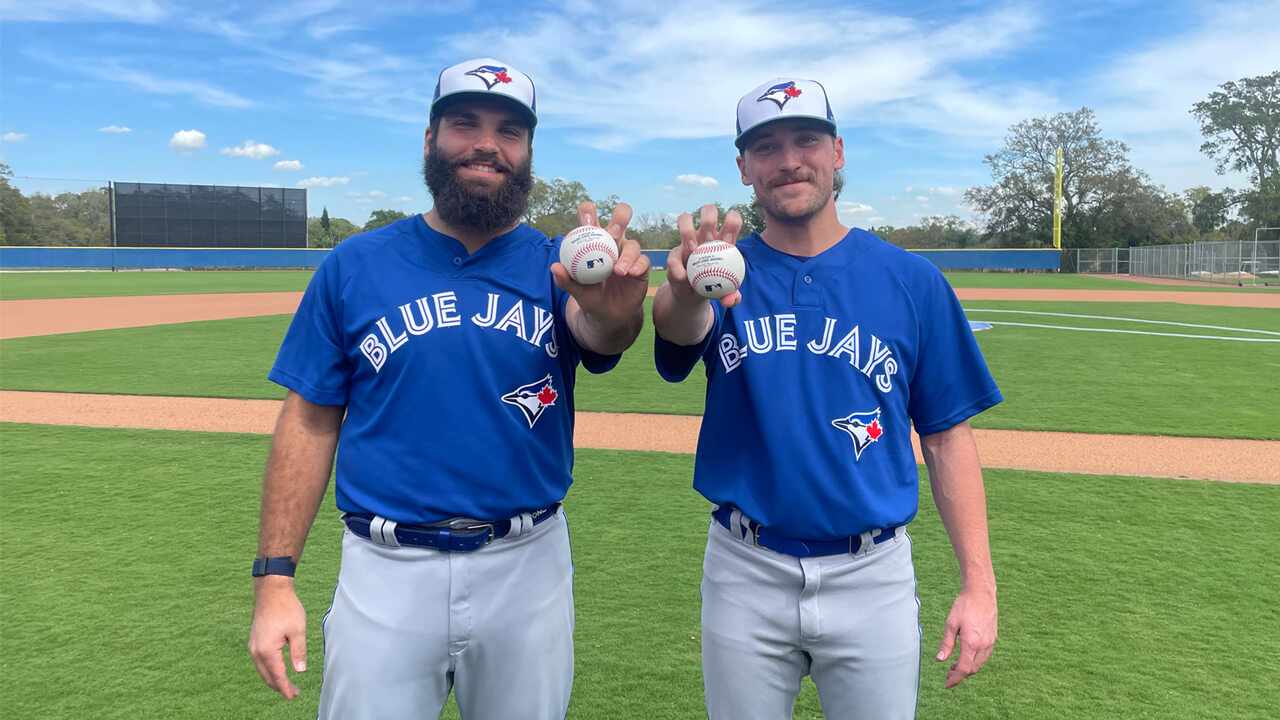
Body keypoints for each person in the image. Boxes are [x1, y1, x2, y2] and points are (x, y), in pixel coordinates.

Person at [247, 57, 651, 719]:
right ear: (430, 139)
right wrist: (274, 579)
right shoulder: (355, 264)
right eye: (465, 123)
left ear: (526, 153)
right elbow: (308, 422)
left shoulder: (558, 267)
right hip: (386, 570)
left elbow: (601, 332)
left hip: (528, 564)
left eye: (509, 130)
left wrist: (613, 310)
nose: (487, 142)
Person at [652, 77, 1003, 719]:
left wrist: (979, 585)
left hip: (873, 573)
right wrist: (681, 289)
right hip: (744, 567)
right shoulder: (720, 275)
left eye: (806, 140)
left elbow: (948, 434)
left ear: (837, 151)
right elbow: (678, 336)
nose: (788, 160)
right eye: (766, 147)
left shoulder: (912, 281)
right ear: (744, 168)